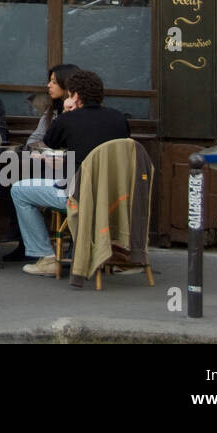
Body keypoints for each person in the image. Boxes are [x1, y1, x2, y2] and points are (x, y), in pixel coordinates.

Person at [12, 69, 130, 277]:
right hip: (114, 197)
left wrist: (67, 113)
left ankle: (46, 257)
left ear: (74, 96)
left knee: (19, 190)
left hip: (78, 195)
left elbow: (48, 144)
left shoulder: (69, 119)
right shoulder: (120, 119)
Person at [25, 64, 80, 151]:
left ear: (66, 84)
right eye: (50, 81)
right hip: (49, 158)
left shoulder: (80, 110)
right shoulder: (53, 109)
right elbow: (38, 135)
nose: (48, 85)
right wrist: (30, 151)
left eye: (54, 82)